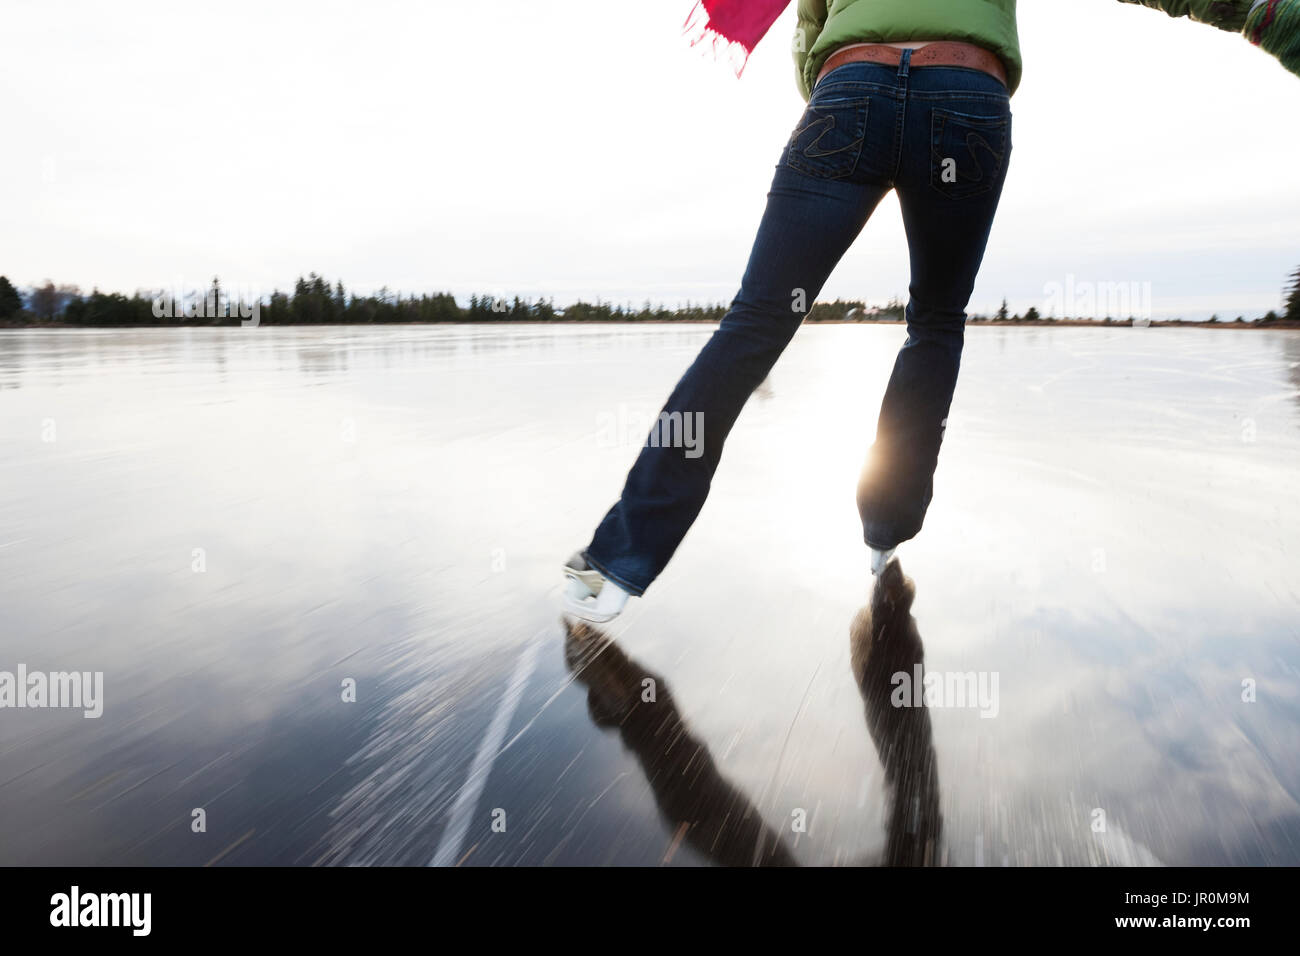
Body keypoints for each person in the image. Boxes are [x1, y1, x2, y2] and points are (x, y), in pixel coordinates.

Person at [562, 0, 1297, 623]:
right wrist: (1276, 18)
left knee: (756, 320)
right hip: (966, 96)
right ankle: (884, 531)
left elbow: (808, 35)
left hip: (851, 89)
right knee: (936, 323)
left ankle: (617, 566)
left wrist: (846, 87)